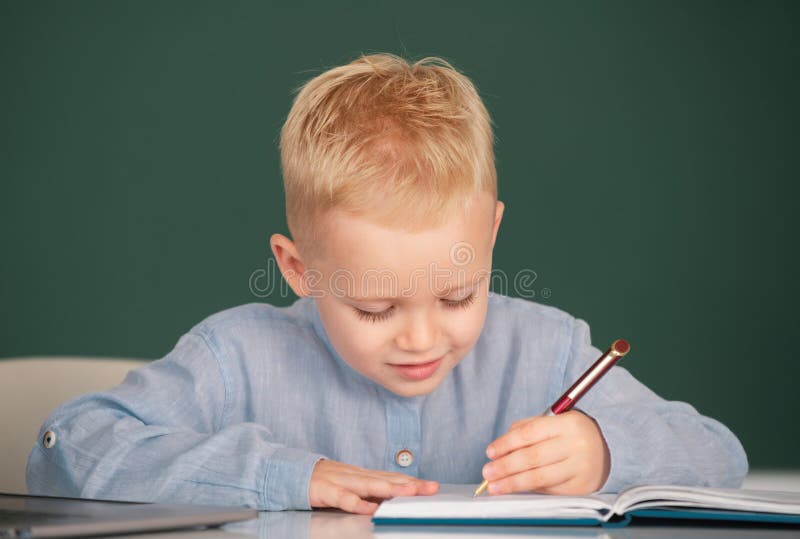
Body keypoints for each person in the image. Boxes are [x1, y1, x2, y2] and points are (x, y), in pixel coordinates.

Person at [26, 53, 748, 515]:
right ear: (298, 269)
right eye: (375, 307)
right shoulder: (237, 356)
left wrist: (602, 451)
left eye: (458, 296)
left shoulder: (547, 350)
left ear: (491, 235)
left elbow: (719, 453)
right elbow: (67, 449)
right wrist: (282, 476)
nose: (423, 338)